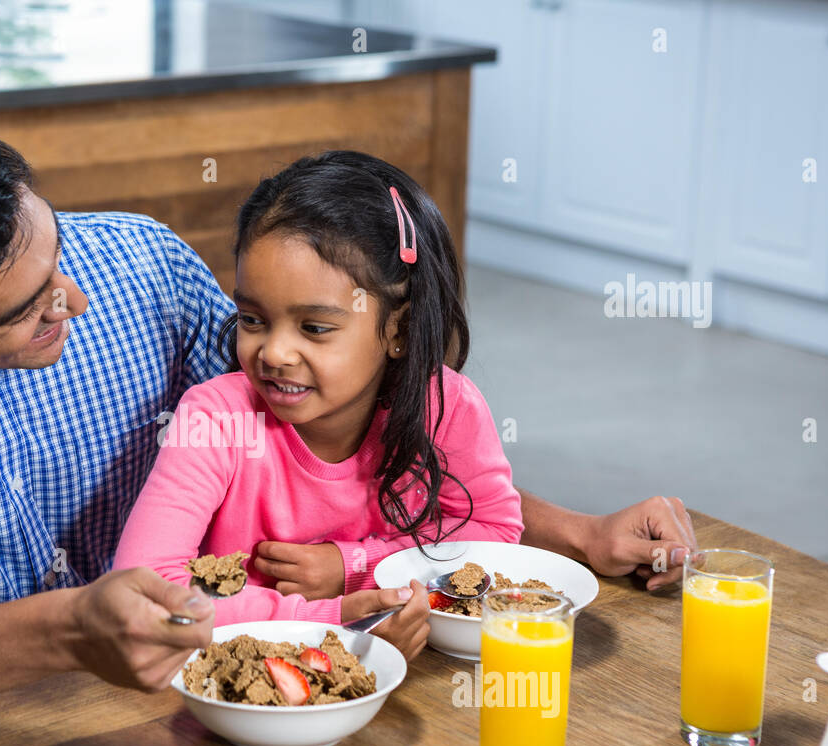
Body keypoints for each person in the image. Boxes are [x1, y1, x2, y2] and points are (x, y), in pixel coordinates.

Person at [0, 93, 697, 728]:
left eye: (53, 248)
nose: (73, 296)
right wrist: (66, 633)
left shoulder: (136, 265)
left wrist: (556, 537)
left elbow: (326, 417)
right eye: (28, 309)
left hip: (181, 719)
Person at [114, 151, 523, 661]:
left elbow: (495, 536)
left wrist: (354, 565)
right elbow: (144, 587)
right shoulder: (215, 419)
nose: (275, 354)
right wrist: (333, 620)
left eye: (314, 328)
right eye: (253, 319)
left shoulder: (447, 405)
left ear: (397, 329)